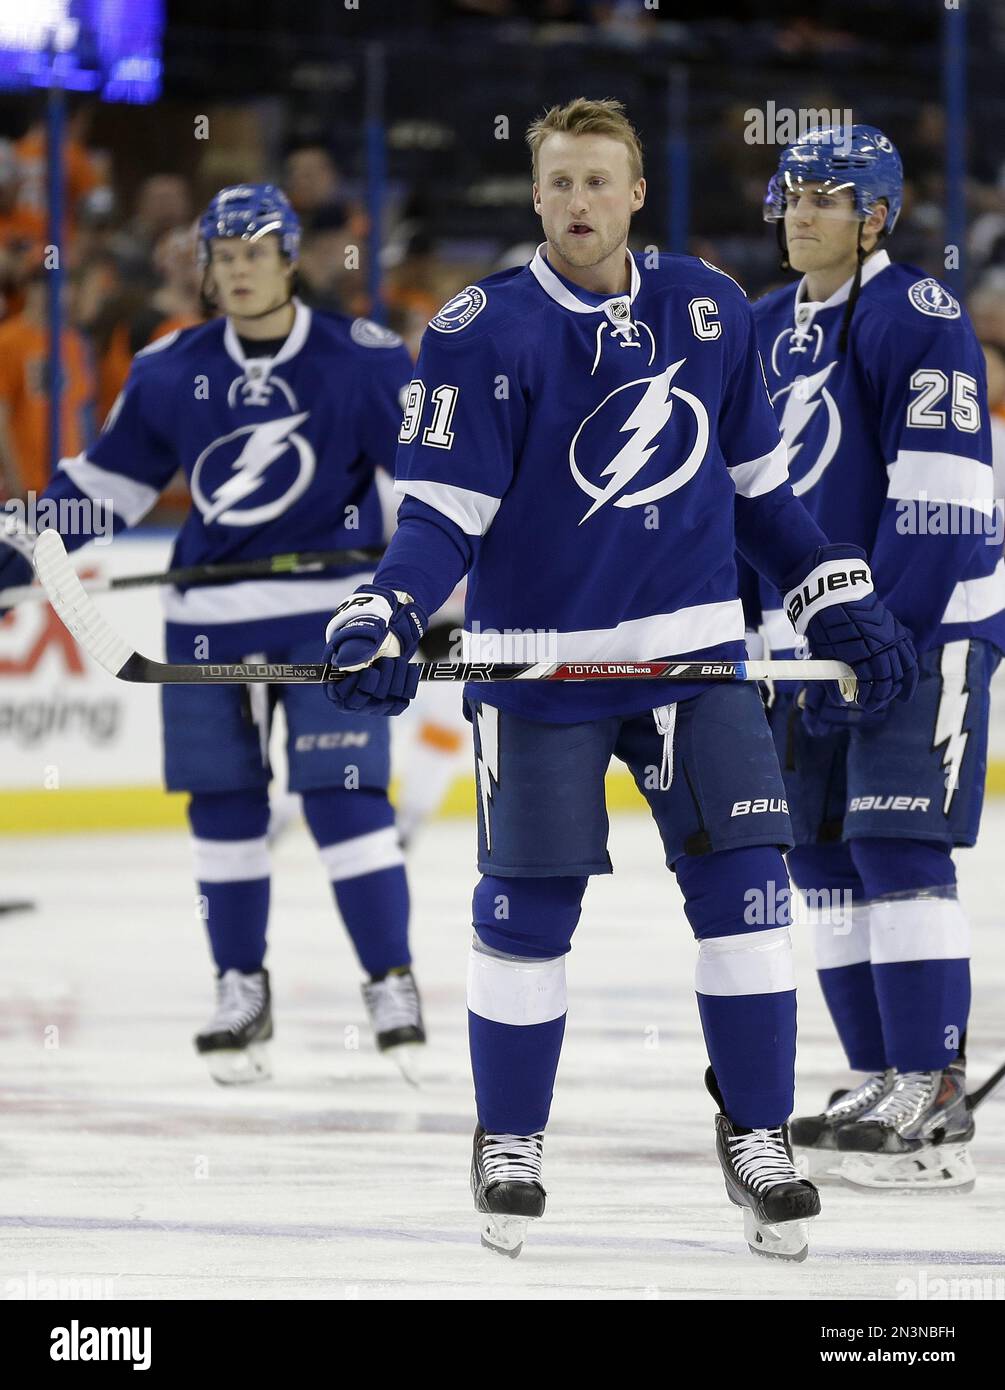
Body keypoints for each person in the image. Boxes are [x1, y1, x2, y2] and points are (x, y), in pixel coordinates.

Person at [319, 99, 917, 1259]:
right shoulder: (479, 329)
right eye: (559, 185)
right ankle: (509, 1135)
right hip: (543, 668)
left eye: (600, 181)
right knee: (529, 912)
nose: (579, 203)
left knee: (750, 901)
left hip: (696, 660)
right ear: (536, 198)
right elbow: (444, 512)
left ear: (636, 194)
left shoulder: (706, 307)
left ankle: (756, 1135)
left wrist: (833, 591)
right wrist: (384, 603)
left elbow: (758, 494)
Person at [0, 185, 425, 1084]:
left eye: (254, 252)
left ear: (289, 259)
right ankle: (240, 988)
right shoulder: (168, 368)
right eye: (222, 255)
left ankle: (390, 981)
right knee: (223, 809)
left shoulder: (363, 360)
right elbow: (106, 491)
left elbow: (432, 489)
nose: (236, 269)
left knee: (344, 799)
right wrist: (26, 549)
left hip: (331, 613)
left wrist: (435, 592)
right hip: (205, 616)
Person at [752, 127, 1004, 1190]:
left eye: (827, 197)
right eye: (791, 194)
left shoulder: (919, 315)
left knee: (898, 847)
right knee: (820, 860)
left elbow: (941, 492)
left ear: (878, 216)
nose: (801, 213)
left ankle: (930, 1080)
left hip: (922, 624)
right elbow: (737, 499)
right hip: (808, 643)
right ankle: (879, 1074)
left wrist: (889, 631)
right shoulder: (759, 329)